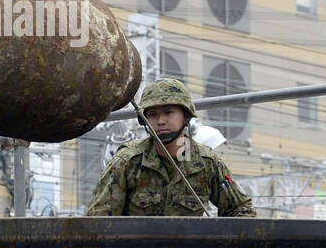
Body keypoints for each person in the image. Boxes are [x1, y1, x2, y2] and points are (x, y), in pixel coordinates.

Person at [86, 78, 256, 217]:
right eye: (152, 115)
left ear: (186, 115)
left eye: (169, 112)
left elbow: (242, 210)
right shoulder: (127, 162)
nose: (160, 121)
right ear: (144, 120)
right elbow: (99, 220)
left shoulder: (207, 164)